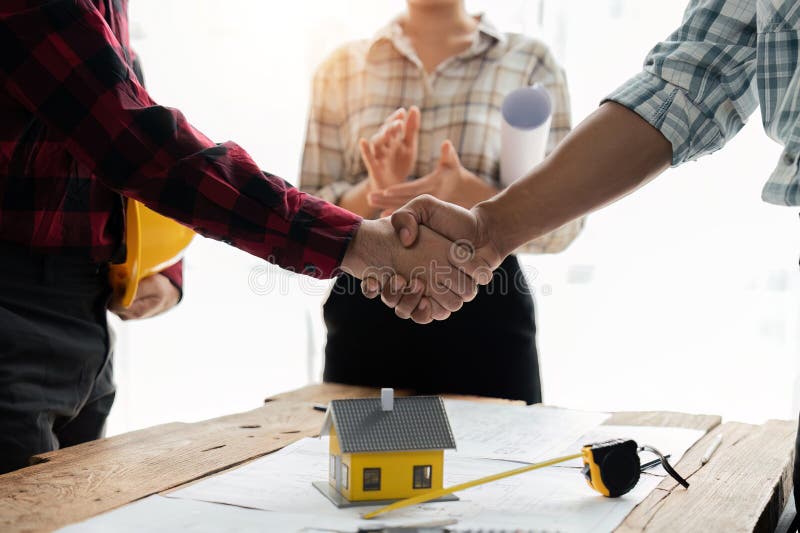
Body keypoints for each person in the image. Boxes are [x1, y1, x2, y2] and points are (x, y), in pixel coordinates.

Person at [0, 0, 478, 474]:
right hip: (14, 310)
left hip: (86, 313)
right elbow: (137, 142)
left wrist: (163, 267)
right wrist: (358, 241)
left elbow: (111, 146)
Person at [379, 0, 800, 514]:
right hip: (397, 292)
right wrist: (488, 228)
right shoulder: (349, 64)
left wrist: (478, 209)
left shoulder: (527, 59)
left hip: (488, 303)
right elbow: (689, 82)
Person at [300, 0, 583, 403]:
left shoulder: (529, 61)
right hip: (367, 299)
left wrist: (462, 192)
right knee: (362, 459)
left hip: (488, 306)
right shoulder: (341, 67)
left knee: (503, 462)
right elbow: (309, 218)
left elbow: (562, 226)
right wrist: (381, 189)